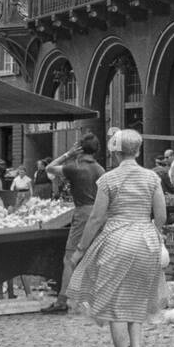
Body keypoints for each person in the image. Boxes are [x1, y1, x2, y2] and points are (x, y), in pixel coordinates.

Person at [67, 129, 166, 347]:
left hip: (117, 241)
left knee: (115, 308)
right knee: (137, 299)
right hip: (146, 242)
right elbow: (161, 216)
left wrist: (79, 250)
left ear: (115, 152)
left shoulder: (109, 179)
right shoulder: (152, 178)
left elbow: (97, 219)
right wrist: (153, 233)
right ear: (138, 150)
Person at [42, 134, 105, 315]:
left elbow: (50, 168)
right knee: (95, 257)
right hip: (100, 213)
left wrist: (67, 154)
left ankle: (62, 300)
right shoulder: (100, 170)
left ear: (79, 149)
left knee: (70, 258)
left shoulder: (75, 167)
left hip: (83, 214)